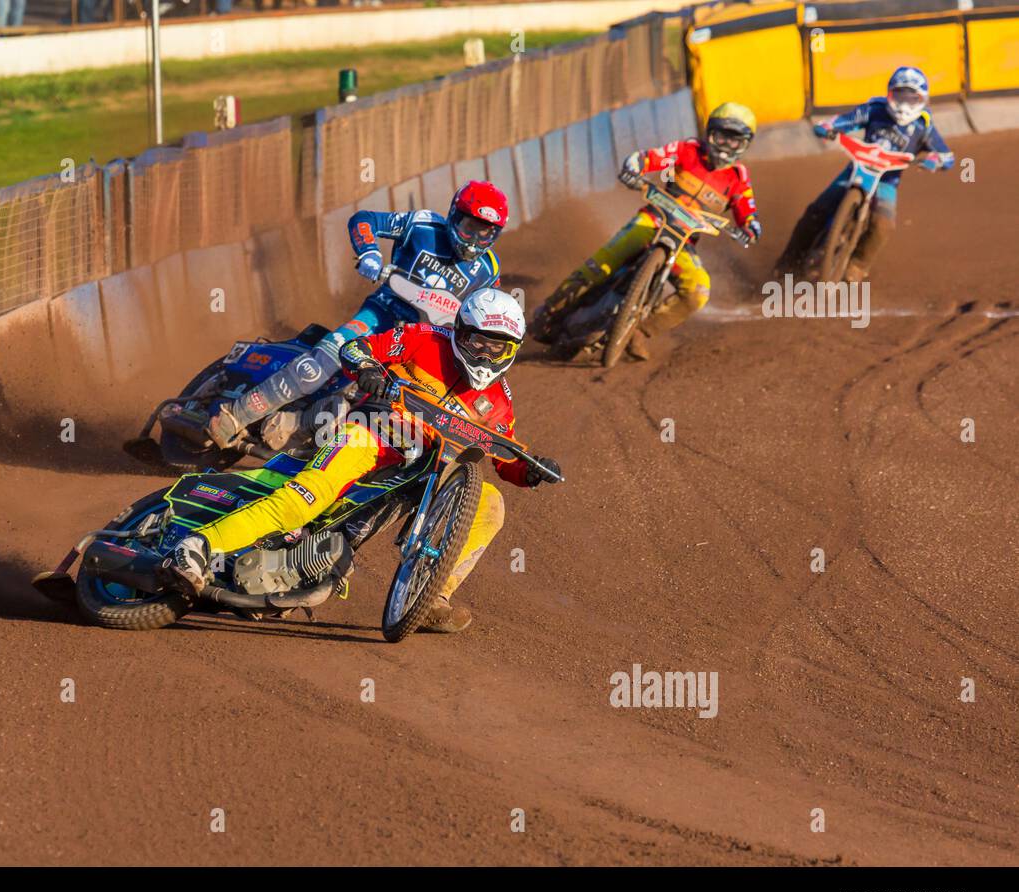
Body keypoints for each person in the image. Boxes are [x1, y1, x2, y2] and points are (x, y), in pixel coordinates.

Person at [165, 288, 562, 634]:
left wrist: (529, 469)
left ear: (513, 349)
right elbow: (357, 346)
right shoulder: (423, 337)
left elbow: (503, 450)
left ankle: (432, 596)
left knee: (491, 504)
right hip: (372, 434)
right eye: (479, 342)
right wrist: (368, 366)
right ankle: (197, 546)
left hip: (426, 471)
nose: (487, 353)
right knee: (302, 500)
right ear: (460, 331)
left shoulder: (500, 402)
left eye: (499, 346)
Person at [207, 180, 509, 451]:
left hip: (418, 345)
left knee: (398, 409)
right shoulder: (422, 226)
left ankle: (304, 432)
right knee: (320, 364)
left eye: (485, 234)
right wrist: (369, 253)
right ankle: (237, 415)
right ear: (454, 216)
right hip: (381, 315)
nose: (473, 241)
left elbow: (488, 313)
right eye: (470, 228)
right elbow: (364, 220)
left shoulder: (489, 269)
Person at [532, 102, 762, 360]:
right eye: (721, 137)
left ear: (745, 145)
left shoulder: (738, 177)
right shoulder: (688, 150)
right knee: (603, 262)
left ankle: (640, 331)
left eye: (734, 141)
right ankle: (549, 312)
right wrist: (636, 165)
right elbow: (655, 157)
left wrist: (750, 227)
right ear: (709, 133)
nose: (725, 146)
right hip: (653, 221)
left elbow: (747, 209)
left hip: (684, 242)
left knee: (699, 291)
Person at [775, 66, 954, 282]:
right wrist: (828, 126)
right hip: (856, 169)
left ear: (922, 99)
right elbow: (845, 121)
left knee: (883, 225)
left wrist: (934, 160)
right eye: (899, 96)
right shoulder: (874, 109)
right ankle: (787, 262)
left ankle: (858, 265)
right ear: (889, 94)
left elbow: (947, 155)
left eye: (911, 98)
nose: (904, 104)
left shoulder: (923, 125)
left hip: (887, 181)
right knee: (815, 212)